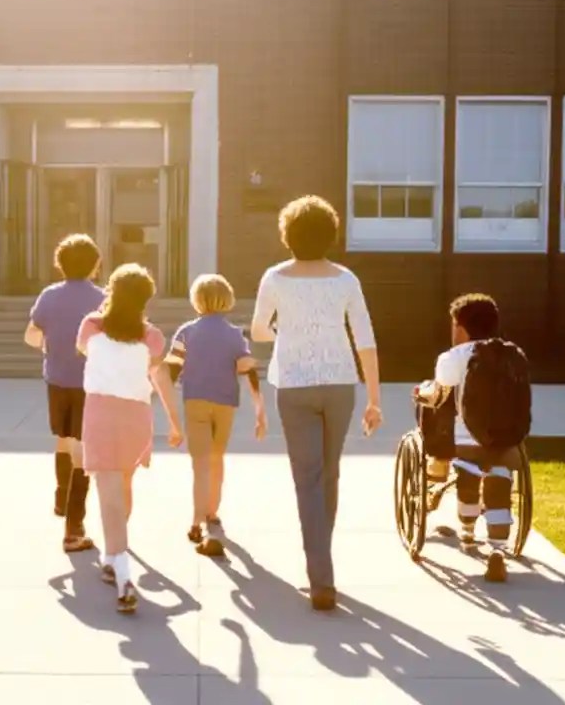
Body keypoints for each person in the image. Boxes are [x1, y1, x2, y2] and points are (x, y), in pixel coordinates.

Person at [250, 195, 382, 612]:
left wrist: (285, 334)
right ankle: (322, 564)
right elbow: (365, 341)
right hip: (340, 383)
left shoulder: (274, 277)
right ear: (331, 234)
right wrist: (374, 399)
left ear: (287, 235)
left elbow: (257, 330)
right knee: (329, 475)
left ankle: (320, 576)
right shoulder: (346, 279)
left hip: (293, 384)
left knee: (307, 478)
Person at [77, 263, 183, 614]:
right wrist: (173, 421)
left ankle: (121, 572)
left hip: (101, 412)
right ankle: (113, 554)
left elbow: (83, 350)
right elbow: (158, 375)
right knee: (122, 488)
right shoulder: (152, 336)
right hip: (136, 416)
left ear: (112, 291)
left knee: (108, 497)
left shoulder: (91, 326)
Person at [414, 293, 528, 583]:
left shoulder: (454, 357)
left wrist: (421, 392)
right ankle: (498, 551)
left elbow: (439, 395)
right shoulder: (514, 354)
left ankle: (467, 534)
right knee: (499, 486)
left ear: (460, 327)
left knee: (468, 479)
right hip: (507, 439)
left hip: (468, 440)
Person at [165, 274, 267, 557]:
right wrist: (260, 410)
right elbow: (248, 370)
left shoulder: (186, 332)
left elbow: (171, 369)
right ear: (228, 299)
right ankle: (212, 513)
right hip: (225, 404)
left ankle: (196, 521)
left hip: (195, 401)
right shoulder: (235, 334)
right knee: (216, 460)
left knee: (200, 465)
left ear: (196, 299)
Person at [24, 234, 106, 553]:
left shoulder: (49, 295)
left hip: (56, 379)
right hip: (89, 382)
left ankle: (61, 495)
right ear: (95, 264)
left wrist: (48, 344)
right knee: (82, 450)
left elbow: (32, 335)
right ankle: (74, 526)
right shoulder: (102, 297)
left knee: (64, 438)